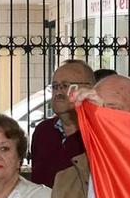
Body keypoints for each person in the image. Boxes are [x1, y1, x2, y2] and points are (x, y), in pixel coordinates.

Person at [29, 59, 95, 188]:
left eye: (65, 86)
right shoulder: (43, 131)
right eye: (55, 86)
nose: (58, 92)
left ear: (88, 89)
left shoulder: (96, 134)